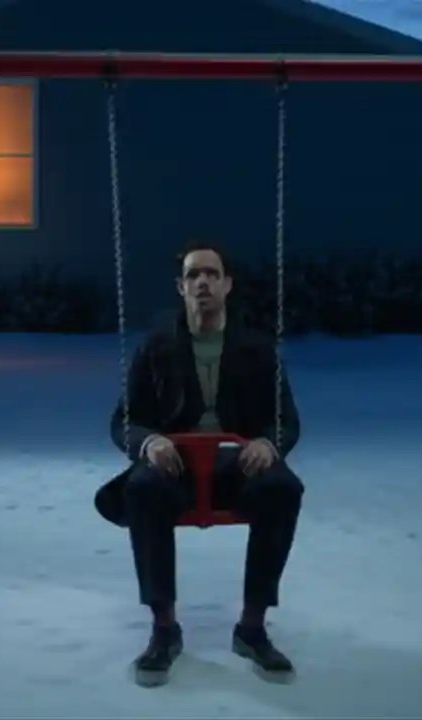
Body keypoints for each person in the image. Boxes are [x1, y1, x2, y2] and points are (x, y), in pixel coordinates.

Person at [94, 239, 304, 686]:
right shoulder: (156, 347)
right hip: (179, 468)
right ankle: (164, 629)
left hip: (236, 467)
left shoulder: (256, 348)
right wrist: (150, 442)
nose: (202, 282)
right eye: (193, 275)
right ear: (180, 287)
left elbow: (286, 419)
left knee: (282, 489)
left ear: (227, 285)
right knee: (144, 489)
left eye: (211, 274)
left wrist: (268, 444)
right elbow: (123, 421)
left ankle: (251, 627)